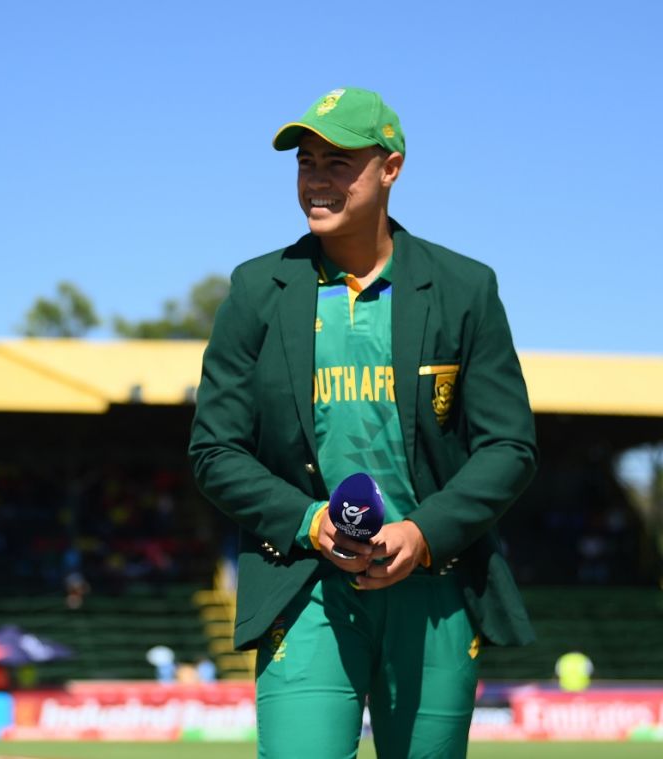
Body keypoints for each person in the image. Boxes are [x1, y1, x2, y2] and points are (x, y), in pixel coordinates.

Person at [189, 87, 536, 758]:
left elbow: (510, 446)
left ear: (391, 168)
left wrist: (424, 531)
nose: (317, 178)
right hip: (305, 585)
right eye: (307, 161)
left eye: (338, 162)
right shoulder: (257, 290)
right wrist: (307, 519)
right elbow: (214, 450)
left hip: (434, 588)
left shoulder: (465, 288)